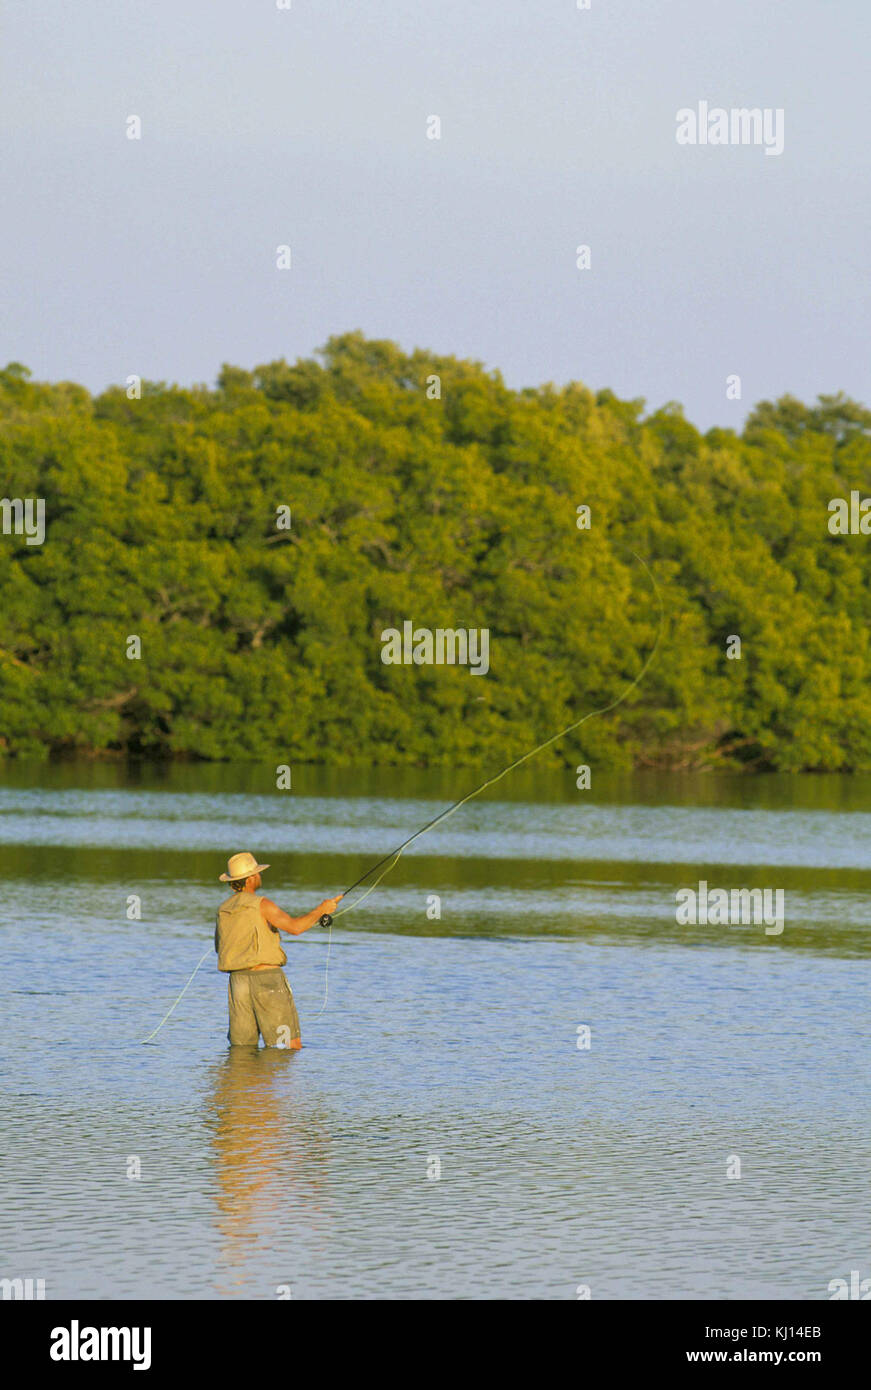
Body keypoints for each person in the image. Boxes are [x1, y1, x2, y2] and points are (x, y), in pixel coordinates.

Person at [215, 852, 342, 1048]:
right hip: (267, 981)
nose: (259, 876)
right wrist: (322, 910)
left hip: (237, 984)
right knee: (286, 1047)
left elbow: (219, 947)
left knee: (242, 1050)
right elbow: (295, 927)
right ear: (250, 879)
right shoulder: (262, 904)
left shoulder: (224, 909)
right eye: (257, 873)